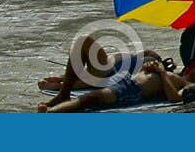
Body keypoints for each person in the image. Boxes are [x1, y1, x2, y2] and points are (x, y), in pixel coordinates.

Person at [37, 34, 168, 105]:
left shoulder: (150, 64)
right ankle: (61, 84)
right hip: (106, 69)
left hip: (110, 73)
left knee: (83, 41)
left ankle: (62, 90)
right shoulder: (135, 58)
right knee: (83, 45)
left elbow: (138, 78)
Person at [39, 58, 190, 113]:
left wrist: (162, 73)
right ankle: (59, 97)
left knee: (92, 97)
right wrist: (147, 68)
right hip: (126, 81)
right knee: (92, 95)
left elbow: (175, 98)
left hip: (132, 89)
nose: (194, 70)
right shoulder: (176, 74)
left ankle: (51, 112)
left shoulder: (186, 84)